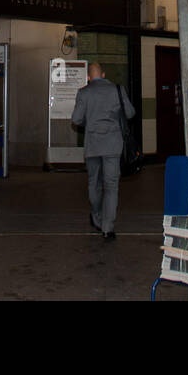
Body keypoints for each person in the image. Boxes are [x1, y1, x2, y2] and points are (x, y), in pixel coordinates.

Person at [71, 62, 134, 241]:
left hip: (93, 145)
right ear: (104, 75)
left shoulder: (84, 92)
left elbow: (76, 119)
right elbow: (129, 113)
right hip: (113, 145)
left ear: (88, 77)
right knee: (112, 186)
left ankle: (96, 216)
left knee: (94, 184)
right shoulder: (117, 90)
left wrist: (90, 123)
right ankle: (108, 227)